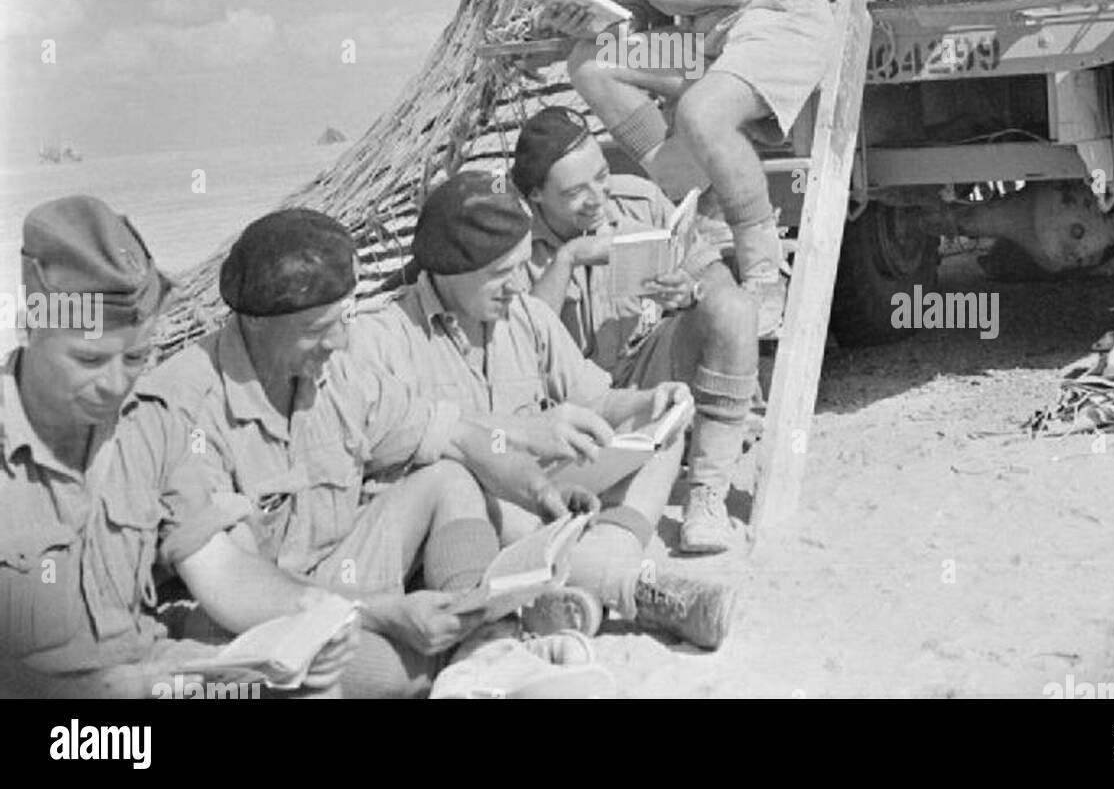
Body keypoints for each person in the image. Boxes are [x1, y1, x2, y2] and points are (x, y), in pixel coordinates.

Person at [135, 207, 594, 697]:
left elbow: (457, 434)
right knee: (391, 669)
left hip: (336, 577)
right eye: (318, 327)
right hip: (244, 615)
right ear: (257, 323)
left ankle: (482, 648)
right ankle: (494, 643)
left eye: (344, 319)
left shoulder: (337, 375)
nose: (340, 341)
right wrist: (378, 612)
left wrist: (539, 491)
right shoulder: (187, 412)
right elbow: (238, 588)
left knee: (448, 476)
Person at [347, 171, 737, 650]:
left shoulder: (524, 315)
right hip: (475, 516)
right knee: (466, 480)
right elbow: (411, 445)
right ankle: (634, 588)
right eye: (499, 274)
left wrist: (649, 402)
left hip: (543, 492)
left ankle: (577, 580)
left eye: (519, 267)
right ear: (447, 270)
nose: (516, 285)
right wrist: (525, 433)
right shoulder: (380, 339)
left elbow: (593, 398)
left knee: (662, 430)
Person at [0, 196, 356, 698]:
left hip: (153, 678)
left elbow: (222, 571)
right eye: (88, 359)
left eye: (136, 357)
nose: (114, 384)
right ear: (32, 329)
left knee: (308, 687)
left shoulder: (150, 427)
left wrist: (309, 612)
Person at [509, 0, 834, 337]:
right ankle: (687, 178)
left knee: (703, 115)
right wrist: (576, 17)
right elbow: (644, 13)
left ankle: (763, 274)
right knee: (591, 62)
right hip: (708, 38)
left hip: (775, 13)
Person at [511, 105, 756, 554]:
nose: (598, 198)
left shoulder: (638, 200)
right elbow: (523, 349)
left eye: (600, 177)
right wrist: (569, 258)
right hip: (573, 408)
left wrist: (690, 291)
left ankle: (707, 494)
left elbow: (716, 279)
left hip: (650, 372)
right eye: (575, 192)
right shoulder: (515, 244)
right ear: (536, 197)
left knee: (733, 310)